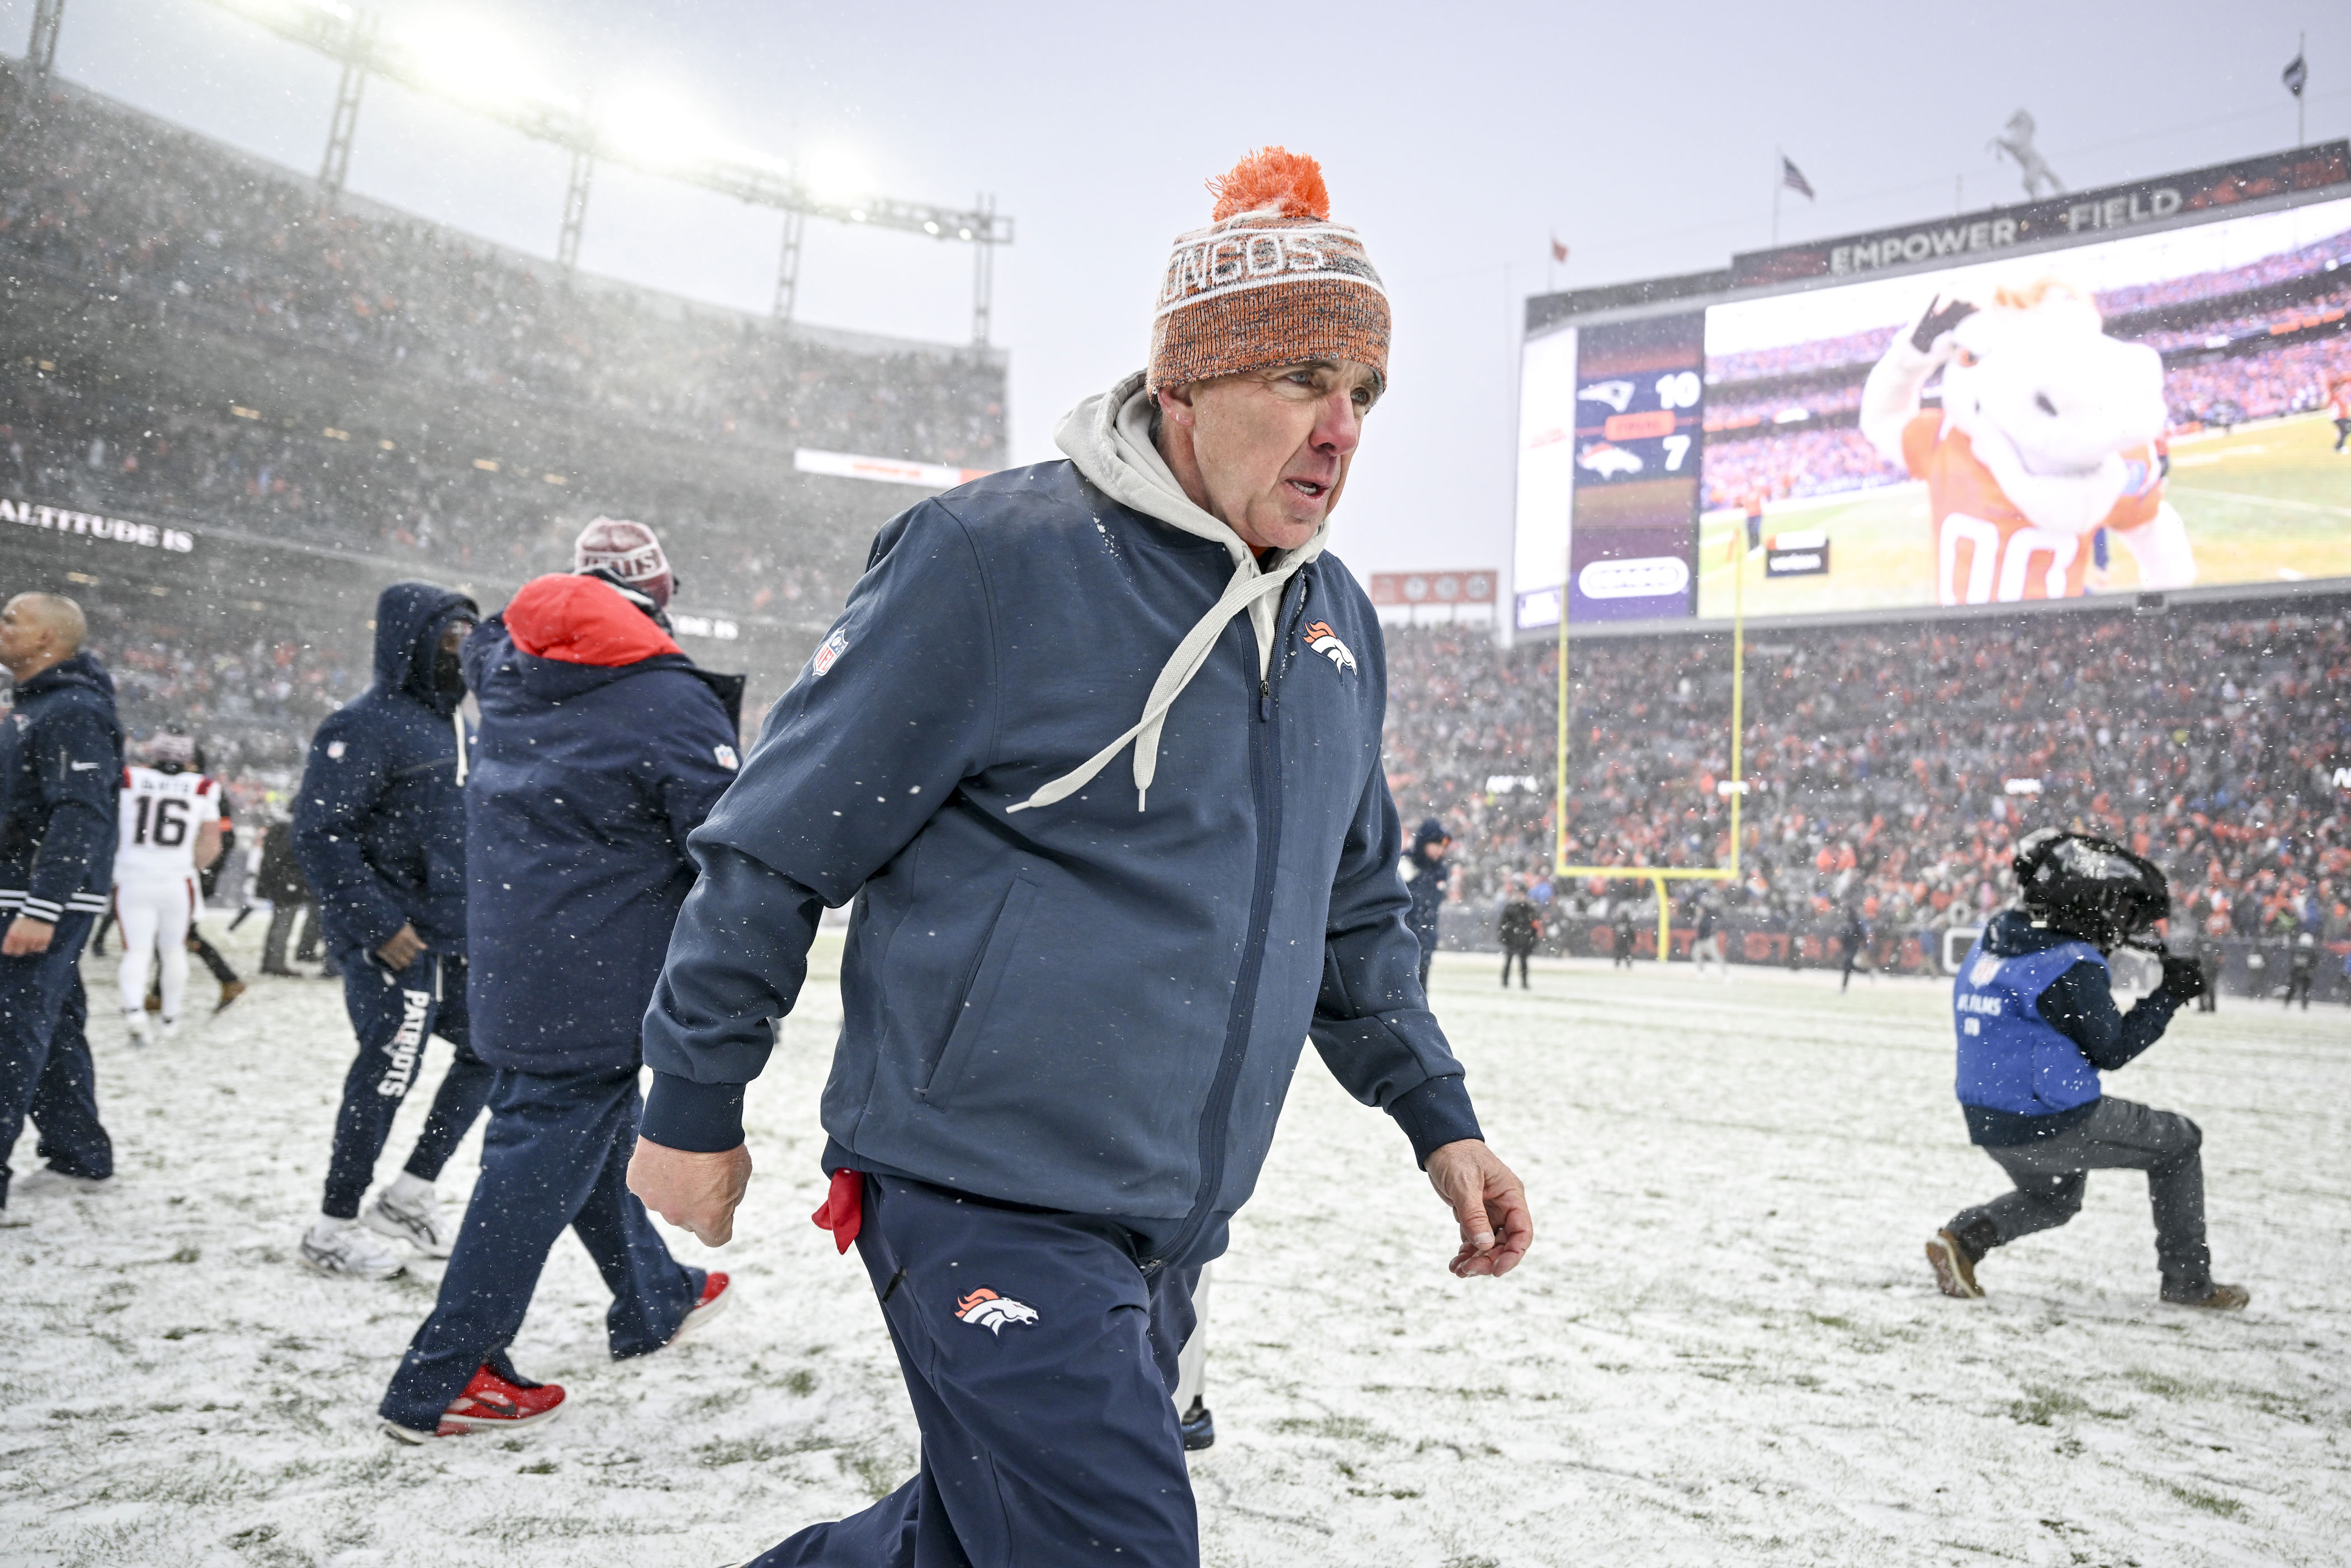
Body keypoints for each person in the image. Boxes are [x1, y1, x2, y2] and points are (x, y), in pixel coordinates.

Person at [627, 148, 1534, 1566]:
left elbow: (1351, 914)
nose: (1339, 428)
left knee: (971, 1538)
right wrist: (691, 1102)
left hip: (1171, 1217)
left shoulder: (1337, 621)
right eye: (1299, 377)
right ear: (1181, 385)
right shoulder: (993, 558)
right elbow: (772, 844)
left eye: (1360, 393)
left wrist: (1441, 1115)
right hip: (977, 1188)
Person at [377, 553, 746, 1441]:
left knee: (580, 1137)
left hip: (521, 957)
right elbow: (725, 835)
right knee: (539, 1156)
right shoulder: (662, 703)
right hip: (601, 973)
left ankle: (655, 1296)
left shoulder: (507, 673)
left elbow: (487, 637)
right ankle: (445, 1373)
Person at [1925, 830, 2245, 1311]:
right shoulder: (2067, 963)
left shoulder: (1998, 936)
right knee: (2179, 1143)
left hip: (1986, 1115)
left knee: (2056, 1199)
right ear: (2084, 903)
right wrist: (2169, 996)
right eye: (2116, 908)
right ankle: (2187, 1283)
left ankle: (1965, 1239)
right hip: (2049, 1117)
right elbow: (2112, 1049)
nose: (2122, 921)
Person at [292, 583, 494, 1280]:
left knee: (493, 1050)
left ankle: (411, 1191)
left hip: (456, 940)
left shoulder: (460, 727)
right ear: (410, 640)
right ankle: (332, 1226)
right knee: (386, 1077)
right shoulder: (362, 723)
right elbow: (319, 832)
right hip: (397, 942)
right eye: (449, 635)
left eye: (471, 633)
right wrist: (378, 925)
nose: (464, 647)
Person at [0, 594, 122, 1211]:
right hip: (27, 890)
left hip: (35, 896)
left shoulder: (73, 710)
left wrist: (42, 907)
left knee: (10, 1027)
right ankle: (81, 1155)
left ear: (48, 639)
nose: (1, 627)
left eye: (11, 619)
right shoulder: (39, 706)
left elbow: (80, 813)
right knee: (51, 1023)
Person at [110, 732, 224, 1043]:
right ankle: (170, 1020)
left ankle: (134, 1011)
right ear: (188, 760)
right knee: (173, 950)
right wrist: (187, 866)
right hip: (176, 879)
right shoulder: (203, 787)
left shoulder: (129, 779)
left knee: (136, 950)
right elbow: (212, 844)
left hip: (133, 875)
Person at [256, 814, 323, 975]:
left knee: (281, 923)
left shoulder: (281, 828)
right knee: (283, 924)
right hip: (288, 884)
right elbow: (288, 859)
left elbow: (274, 859)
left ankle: (273, 962)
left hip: (281, 883)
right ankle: (275, 964)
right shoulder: (291, 830)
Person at [1403, 817, 1451, 991]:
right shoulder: (1404, 864)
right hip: (1402, 939)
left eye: (1444, 847)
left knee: (1421, 992)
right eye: (1437, 845)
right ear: (1424, 843)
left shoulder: (1440, 871)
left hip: (1425, 941)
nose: (1441, 851)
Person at [1498, 875, 1540, 989]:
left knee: (1523, 962)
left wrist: (1533, 938)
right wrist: (1504, 937)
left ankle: (1524, 983)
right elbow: (1503, 924)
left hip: (1524, 939)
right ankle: (1505, 982)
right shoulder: (1511, 907)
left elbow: (1534, 925)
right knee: (1509, 961)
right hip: (1512, 938)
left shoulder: (1529, 909)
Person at [1691, 896, 1728, 979]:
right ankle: (1701, 972)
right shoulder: (1700, 917)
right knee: (1695, 954)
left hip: (1708, 940)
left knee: (1716, 956)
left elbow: (1707, 928)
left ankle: (1726, 973)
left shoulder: (1707, 917)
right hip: (1700, 940)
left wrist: (1699, 922)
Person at [1838, 904, 1870, 992]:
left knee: (1848, 966)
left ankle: (1844, 987)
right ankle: (1867, 972)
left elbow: (1862, 935)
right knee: (1850, 966)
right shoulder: (1847, 922)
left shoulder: (1855, 922)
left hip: (1853, 948)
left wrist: (1862, 945)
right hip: (1848, 947)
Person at [2285, 931, 2318, 1010]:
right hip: (2305, 973)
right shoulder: (2312, 951)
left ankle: (2287, 1004)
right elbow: (2315, 963)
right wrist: (2310, 970)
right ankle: (2304, 1006)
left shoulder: (2296, 949)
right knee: (2305, 991)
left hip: (2297, 972)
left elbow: (2291, 961)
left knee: (2293, 989)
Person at [2193, 931, 2223, 1013]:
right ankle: (2209, 1007)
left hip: (2208, 969)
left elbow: (2220, 958)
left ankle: (2206, 1007)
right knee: (2208, 988)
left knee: (2206, 988)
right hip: (2207, 969)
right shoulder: (2214, 944)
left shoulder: (2203, 944)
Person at [1612, 901, 1637, 969]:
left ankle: (1618, 965)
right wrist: (1633, 941)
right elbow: (1632, 933)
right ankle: (1626, 965)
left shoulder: (1619, 922)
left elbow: (1615, 933)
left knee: (1620, 954)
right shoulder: (1629, 923)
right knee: (1626, 954)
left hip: (1621, 942)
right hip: (1626, 942)